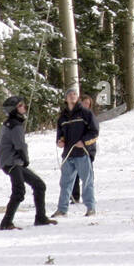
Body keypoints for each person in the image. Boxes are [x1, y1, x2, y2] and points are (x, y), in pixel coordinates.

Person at [0, 95, 56, 230]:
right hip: (12, 163)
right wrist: (25, 159)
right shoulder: (15, 126)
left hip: (12, 162)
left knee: (39, 185)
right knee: (19, 192)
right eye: (20, 105)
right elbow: (20, 146)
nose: (24, 107)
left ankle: (40, 217)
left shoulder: (10, 124)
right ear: (14, 110)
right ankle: (6, 222)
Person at [54, 85, 99, 217]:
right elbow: (60, 133)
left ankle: (91, 208)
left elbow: (94, 132)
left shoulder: (86, 113)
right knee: (65, 183)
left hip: (82, 153)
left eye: (74, 94)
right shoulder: (62, 117)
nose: (72, 96)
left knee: (87, 181)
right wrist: (60, 141)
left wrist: (84, 142)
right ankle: (62, 210)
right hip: (68, 154)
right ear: (66, 98)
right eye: (70, 94)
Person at [70, 94, 97, 203]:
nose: (85, 105)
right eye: (84, 103)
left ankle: (89, 197)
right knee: (73, 174)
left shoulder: (90, 117)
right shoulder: (75, 116)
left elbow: (94, 133)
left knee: (88, 175)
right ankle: (74, 196)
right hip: (75, 149)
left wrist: (84, 142)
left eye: (88, 104)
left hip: (87, 149)